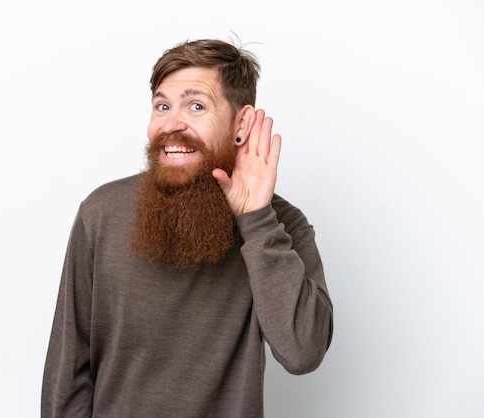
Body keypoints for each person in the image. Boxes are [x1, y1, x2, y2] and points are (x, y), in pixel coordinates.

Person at [41, 38, 333, 417]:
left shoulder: (279, 225)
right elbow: (67, 373)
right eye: (162, 106)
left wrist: (257, 220)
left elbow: (302, 353)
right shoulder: (100, 213)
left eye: (196, 106)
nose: (171, 124)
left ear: (241, 124)